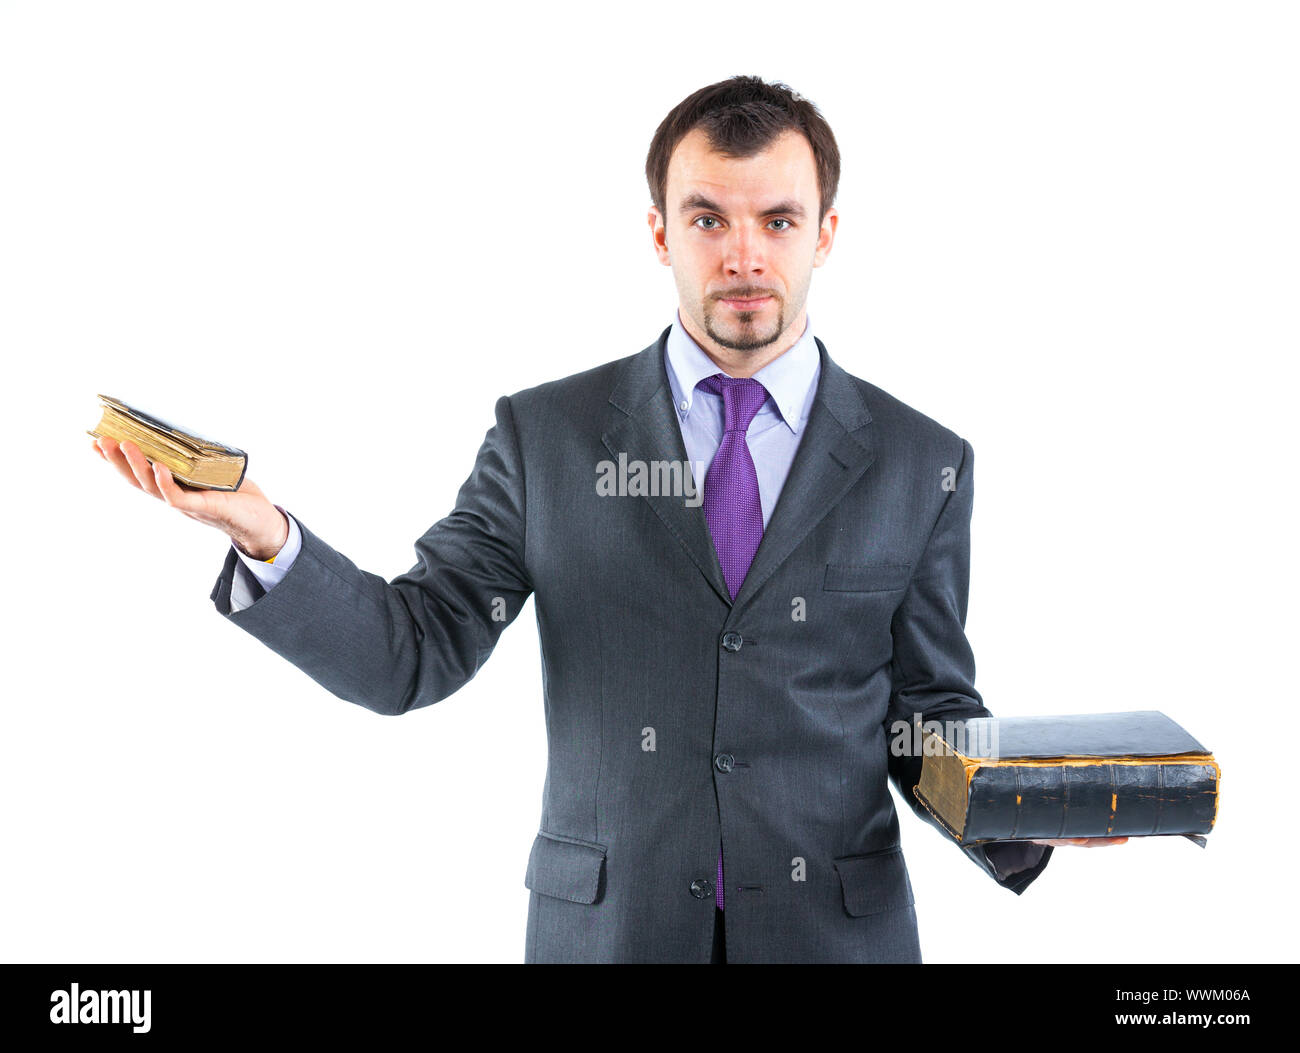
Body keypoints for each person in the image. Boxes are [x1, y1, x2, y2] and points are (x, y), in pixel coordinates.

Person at [92, 75, 1123, 964]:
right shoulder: (547, 437)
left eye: (778, 221)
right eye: (709, 220)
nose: (744, 255)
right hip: (610, 933)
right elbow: (414, 651)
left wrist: (1025, 807)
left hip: (835, 939)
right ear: (660, 233)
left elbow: (922, 712)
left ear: (826, 234)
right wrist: (266, 534)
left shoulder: (920, 460)